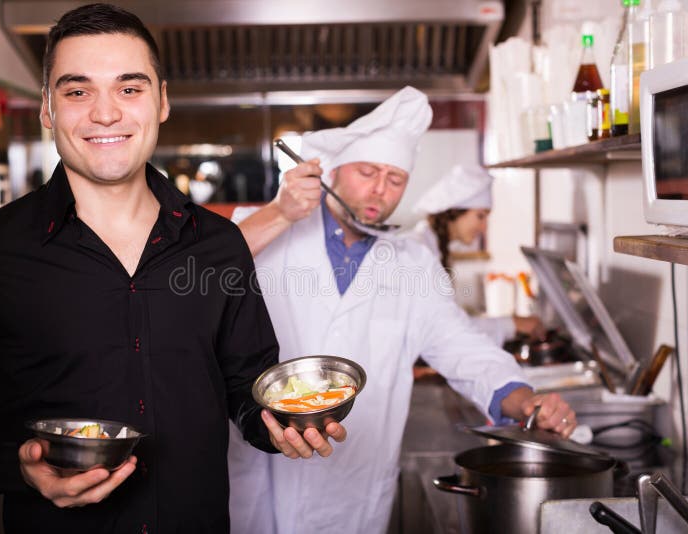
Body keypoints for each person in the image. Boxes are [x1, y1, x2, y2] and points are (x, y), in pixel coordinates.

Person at [0, 4, 344, 533]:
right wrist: (22, 471)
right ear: (47, 110)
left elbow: (247, 388)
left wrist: (281, 425)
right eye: (78, 91)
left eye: (129, 88)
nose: (105, 113)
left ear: (161, 101)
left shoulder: (219, 246)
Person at [226, 86, 577, 534]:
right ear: (331, 171)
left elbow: (462, 346)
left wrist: (526, 399)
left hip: (352, 491)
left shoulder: (413, 264)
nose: (379, 190)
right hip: (263, 479)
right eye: (367, 171)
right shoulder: (266, 234)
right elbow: (202, 268)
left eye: (395, 180)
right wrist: (279, 212)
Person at [410, 164, 546, 345]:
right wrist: (512, 324)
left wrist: (510, 324)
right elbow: (443, 329)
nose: (484, 228)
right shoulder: (419, 252)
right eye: (480, 216)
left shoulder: (430, 245)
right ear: (454, 212)